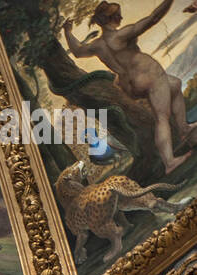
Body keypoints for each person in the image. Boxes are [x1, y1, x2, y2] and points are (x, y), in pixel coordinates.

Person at [64, 1, 197, 174]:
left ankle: (183, 128)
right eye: (118, 14)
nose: (121, 17)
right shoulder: (120, 36)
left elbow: (77, 51)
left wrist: (67, 32)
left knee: (175, 84)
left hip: (130, 84)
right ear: (113, 18)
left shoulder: (97, 45)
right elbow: (153, 18)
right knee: (162, 117)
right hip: (148, 76)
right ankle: (169, 162)